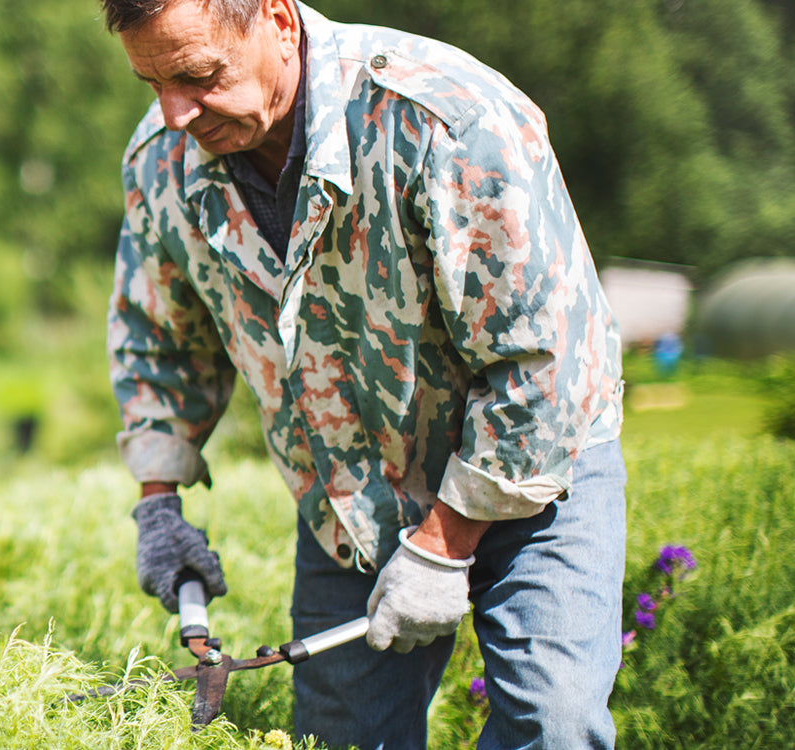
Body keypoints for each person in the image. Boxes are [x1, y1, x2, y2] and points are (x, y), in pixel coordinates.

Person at [101, 1, 628, 747]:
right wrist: (158, 506)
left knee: (554, 724)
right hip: (350, 498)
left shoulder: (443, 119)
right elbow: (161, 342)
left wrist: (444, 545)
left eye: (199, 76)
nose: (176, 112)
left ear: (278, 21)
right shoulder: (162, 162)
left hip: (534, 471)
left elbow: (543, 360)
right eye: (153, 83)